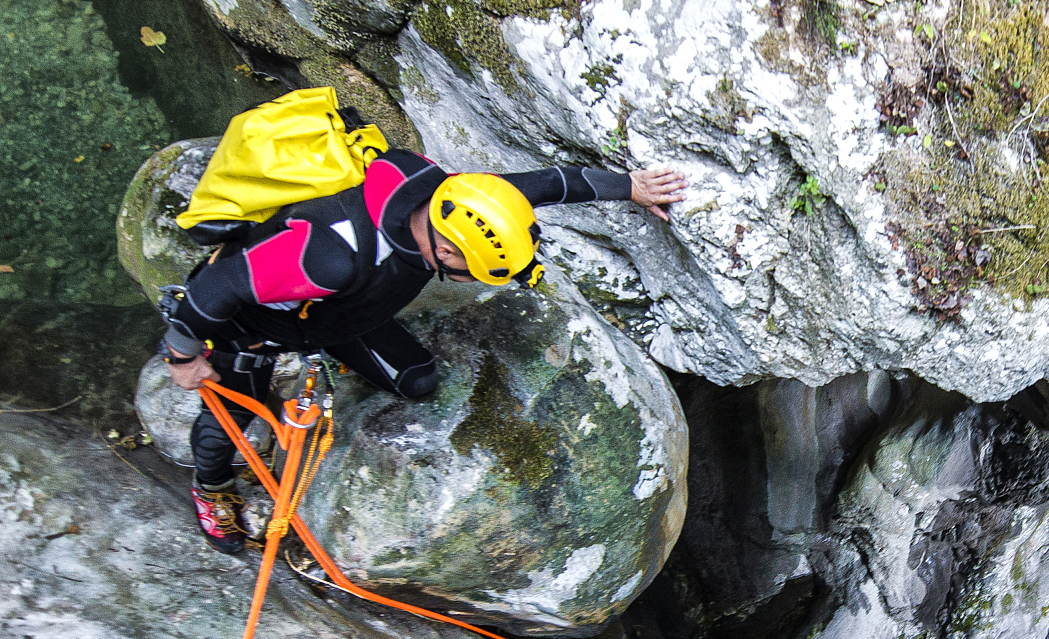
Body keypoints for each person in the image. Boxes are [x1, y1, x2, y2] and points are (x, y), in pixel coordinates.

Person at [160, 149, 686, 552]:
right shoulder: (330, 256)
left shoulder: (455, 198)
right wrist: (184, 356)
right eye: (472, 270)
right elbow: (219, 286)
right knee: (230, 417)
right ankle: (212, 487)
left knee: (416, 380)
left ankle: (324, 346)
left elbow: (546, 184)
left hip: (337, 316)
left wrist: (630, 186)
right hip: (250, 329)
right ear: (448, 248)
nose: (471, 280)